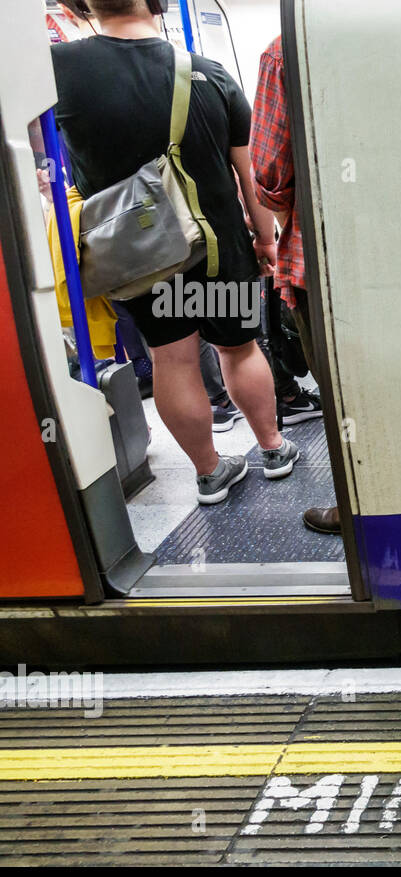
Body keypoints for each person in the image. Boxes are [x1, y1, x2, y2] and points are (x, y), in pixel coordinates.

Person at [50, 0, 299, 505]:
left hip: (137, 254)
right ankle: (273, 449)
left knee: (174, 360)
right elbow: (249, 179)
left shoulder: (62, 71)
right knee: (239, 348)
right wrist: (265, 239)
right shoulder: (209, 74)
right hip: (216, 249)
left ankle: (209, 473)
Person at [251, 34, 340, 535]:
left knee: (344, 388)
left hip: (326, 257)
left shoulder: (287, 48)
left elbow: (271, 170)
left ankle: (364, 506)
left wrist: (284, 216)